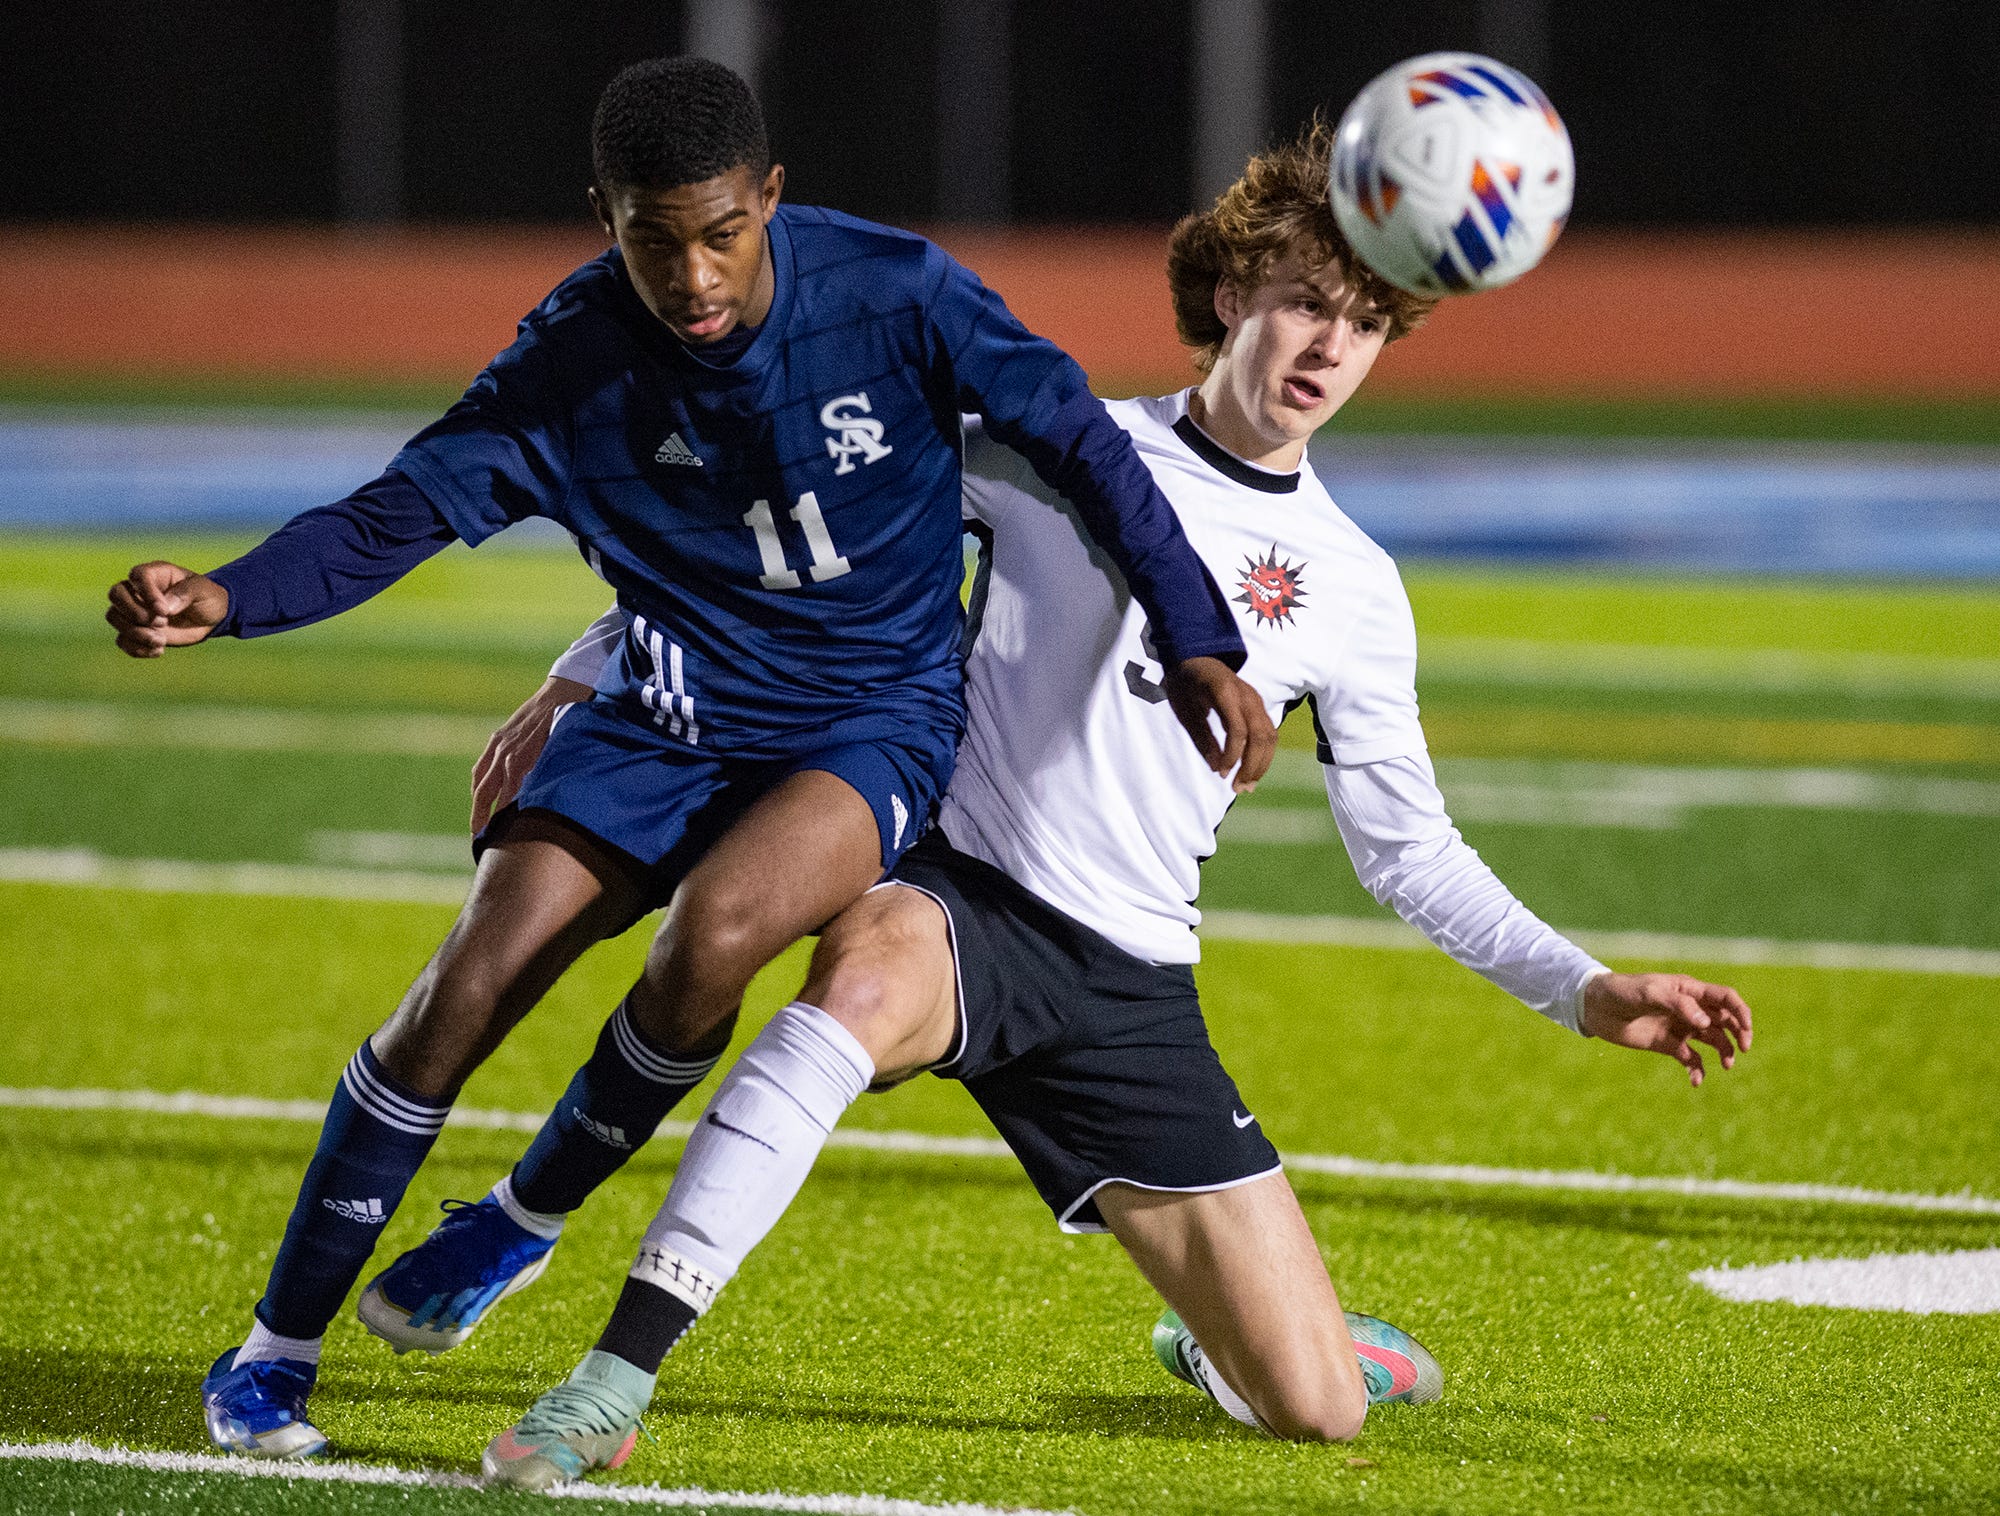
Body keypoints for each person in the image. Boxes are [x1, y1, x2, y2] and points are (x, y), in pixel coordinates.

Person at [443, 122, 1754, 1490]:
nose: (1326, 346)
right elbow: (782, 532)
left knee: (1318, 1410)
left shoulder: (1357, 590)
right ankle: (609, 1382)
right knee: (845, 1001)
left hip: (1130, 983)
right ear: (1236, 290)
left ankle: (1247, 1338)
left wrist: (1584, 988)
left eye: (1364, 324)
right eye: (1307, 299)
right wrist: (582, 669)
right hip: (959, 894)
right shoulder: (1045, 452)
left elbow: (1408, 851)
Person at [104, 57, 1274, 1462]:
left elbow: (1084, 444)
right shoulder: (572, 358)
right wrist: (231, 598)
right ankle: (273, 1354)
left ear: (770, 198)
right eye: (652, 237)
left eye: (721, 230)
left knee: (715, 936)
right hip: (665, 711)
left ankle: (518, 1219)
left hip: (870, 721)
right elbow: (398, 510)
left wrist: (1203, 634)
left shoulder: (895, 292)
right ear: (604, 217)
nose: (692, 271)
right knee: (465, 985)